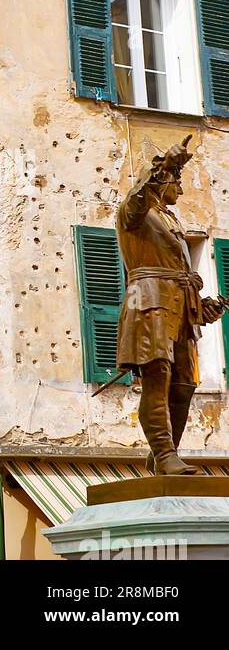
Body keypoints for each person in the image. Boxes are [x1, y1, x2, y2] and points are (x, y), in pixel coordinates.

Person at [116, 137, 227, 476]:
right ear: (161, 182)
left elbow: (178, 271)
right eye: (175, 180)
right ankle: (164, 454)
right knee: (158, 375)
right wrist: (162, 164)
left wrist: (202, 305)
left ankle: (164, 453)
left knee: (185, 383)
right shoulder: (134, 213)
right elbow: (138, 197)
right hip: (149, 302)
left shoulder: (171, 221)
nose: (180, 187)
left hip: (178, 307)